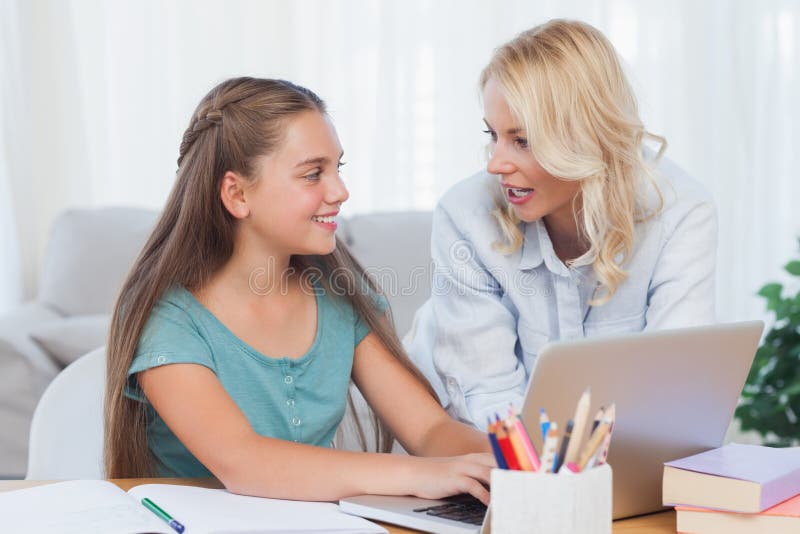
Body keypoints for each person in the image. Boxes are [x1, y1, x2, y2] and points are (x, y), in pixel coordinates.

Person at [104, 77, 493, 504]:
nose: (340, 192)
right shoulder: (171, 318)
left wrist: (516, 468)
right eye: (313, 174)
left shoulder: (339, 295)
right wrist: (419, 475)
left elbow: (428, 429)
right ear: (237, 194)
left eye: (337, 169)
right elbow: (244, 461)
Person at [405, 19, 717, 427]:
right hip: (470, 436)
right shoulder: (465, 214)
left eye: (522, 141)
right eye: (493, 135)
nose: (495, 163)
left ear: (586, 137)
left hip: (594, 460)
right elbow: (490, 397)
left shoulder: (678, 211)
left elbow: (675, 384)